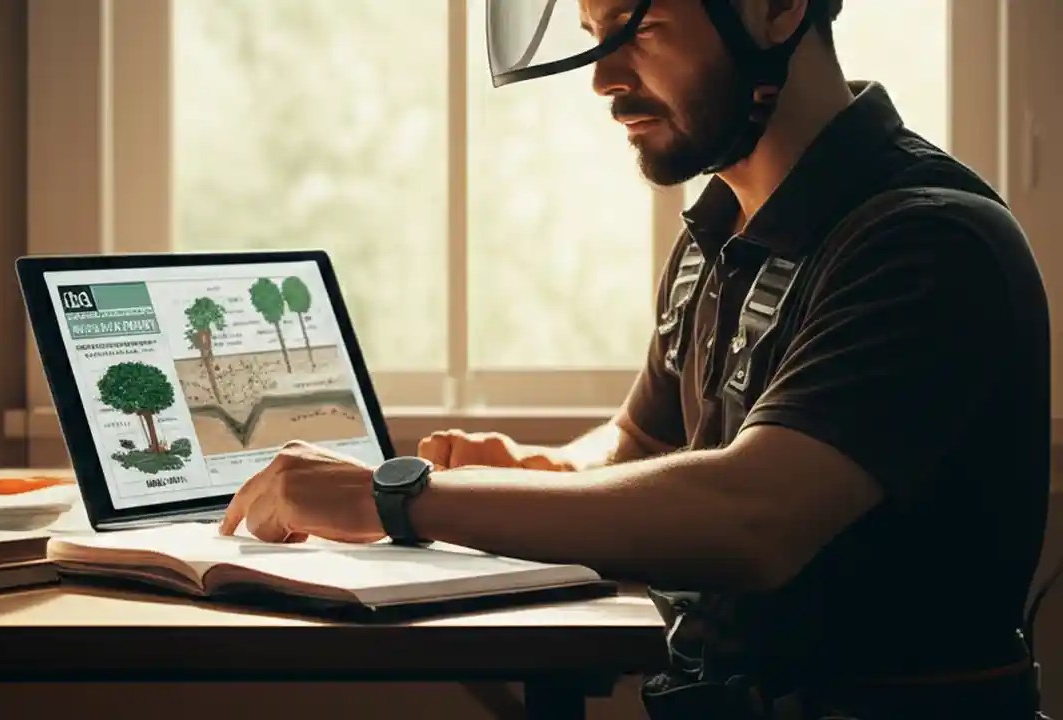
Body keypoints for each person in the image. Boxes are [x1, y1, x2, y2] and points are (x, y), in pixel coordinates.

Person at [220, 0, 1053, 717]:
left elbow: (750, 516)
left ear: (778, 7)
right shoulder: (720, 232)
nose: (603, 76)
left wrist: (398, 499)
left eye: (640, 27)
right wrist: (528, 468)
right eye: (591, 31)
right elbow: (635, 450)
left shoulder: (928, 244)